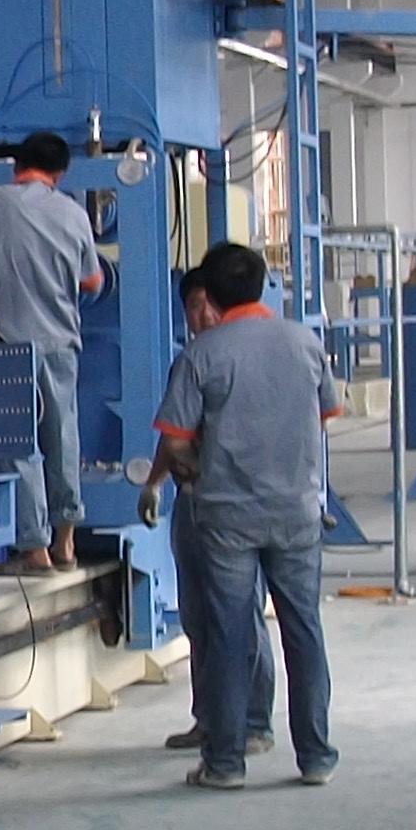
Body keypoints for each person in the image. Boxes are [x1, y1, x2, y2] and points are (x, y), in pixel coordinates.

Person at [143, 240, 342, 790]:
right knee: (304, 631)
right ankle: (316, 757)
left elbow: (175, 439)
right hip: (297, 512)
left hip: (228, 518)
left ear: (212, 293)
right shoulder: (306, 343)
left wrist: (191, 470)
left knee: (229, 635)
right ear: (261, 287)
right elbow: (327, 413)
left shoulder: (202, 355)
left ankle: (226, 763)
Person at [0, 131, 103, 573]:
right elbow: (93, 282)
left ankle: (34, 549)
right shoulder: (73, 213)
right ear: (60, 173)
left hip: (1, 348)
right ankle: (66, 542)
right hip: (60, 344)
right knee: (62, 438)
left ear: (16, 165)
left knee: (18, 445)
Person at [140, 269, 276, 767]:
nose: (202, 315)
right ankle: (212, 718)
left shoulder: (249, 360)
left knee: (241, 614)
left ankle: (255, 722)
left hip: (237, 505)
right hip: (193, 504)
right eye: (193, 306)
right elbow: (174, 432)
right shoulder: (190, 362)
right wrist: (154, 483)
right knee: (198, 616)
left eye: (208, 304)